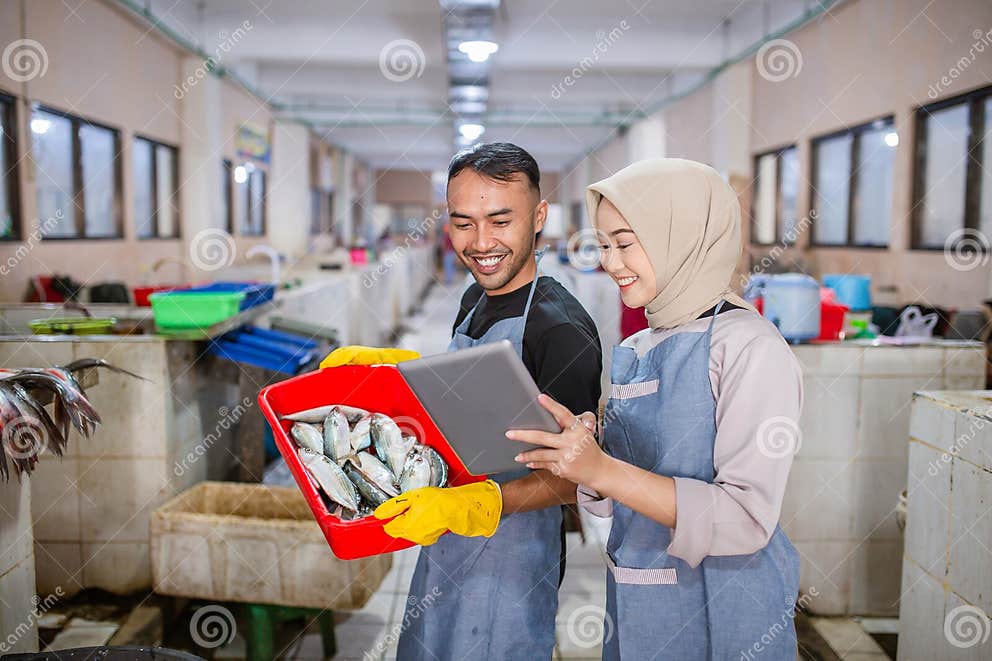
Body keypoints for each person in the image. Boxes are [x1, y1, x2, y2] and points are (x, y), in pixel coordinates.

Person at [508, 158, 803, 660]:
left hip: (727, 607)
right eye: (604, 245)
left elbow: (746, 517)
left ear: (685, 236)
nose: (611, 262)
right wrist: (587, 454)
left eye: (625, 243)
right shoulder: (641, 344)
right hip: (641, 595)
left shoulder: (749, 348)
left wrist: (604, 468)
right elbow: (626, 481)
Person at [323, 142, 602, 659]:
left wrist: (480, 505)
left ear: (539, 217)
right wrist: (400, 374)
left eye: (500, 221)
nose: (480, 242)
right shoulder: (476, 297)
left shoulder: (561, 329)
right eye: (463, 222)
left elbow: (577, 479)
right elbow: (467, 399)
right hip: (448, 538)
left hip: (513, 560)